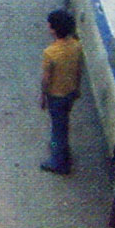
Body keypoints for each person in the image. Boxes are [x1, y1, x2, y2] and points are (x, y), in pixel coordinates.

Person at [40, 9, 83, 175]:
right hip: (70, 92)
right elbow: (78, 69)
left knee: (58, 129)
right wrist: (77, 87)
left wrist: (43, 96)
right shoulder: (76, 45)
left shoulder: (50, 53)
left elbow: (46, 79)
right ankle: (64, 154)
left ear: (53, 29)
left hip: (56, 95)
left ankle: (59, 162)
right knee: (63, 124)